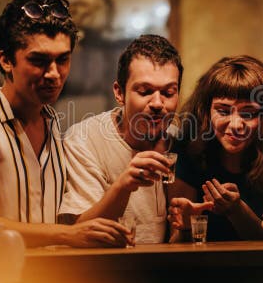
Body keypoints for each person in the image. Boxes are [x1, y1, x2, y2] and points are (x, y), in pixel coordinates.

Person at [0, 0, 129, 248]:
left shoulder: (51, 121)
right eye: (39, 61)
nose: (53, 73)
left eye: (63, 59)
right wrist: (64, 235)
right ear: (6, 60)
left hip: (47, 273)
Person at [167, 55, 263, 241]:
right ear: (206, 111)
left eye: (248, 114)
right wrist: (185, 227)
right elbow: (176, 245)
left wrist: (238, 211)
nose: (235, 124)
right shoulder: (188, 151)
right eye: (223, 111)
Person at [58, 35, 181, 244]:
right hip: (105, 264)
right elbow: (80, 232)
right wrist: (123, 185)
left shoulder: (178, 141)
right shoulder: (85, 139)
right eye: (145, 91)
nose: (157, 103)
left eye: (168, 93)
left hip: (162, 263)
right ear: (119, 93)